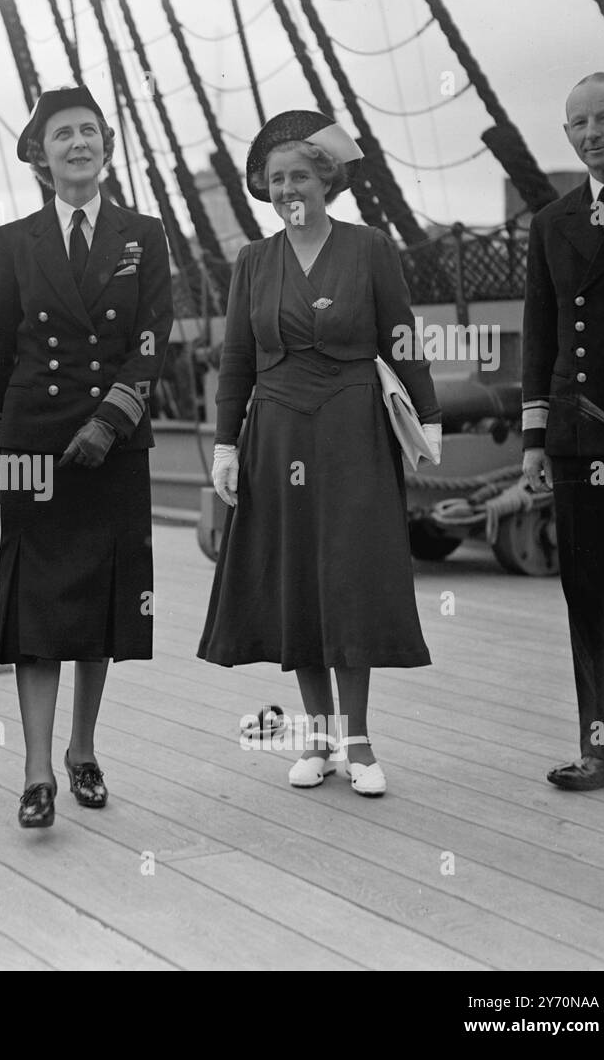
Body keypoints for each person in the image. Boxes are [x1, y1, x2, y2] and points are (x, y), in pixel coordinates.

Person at [197, 111, 441, 797]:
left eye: (299, 174)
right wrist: (224, 447)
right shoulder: (252, 261)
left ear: (325, 180)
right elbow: (237, 359)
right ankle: (318, 737)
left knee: (350, 576)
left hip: (352, 430)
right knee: (297, 577)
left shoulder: (368, 249)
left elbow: (400, 333)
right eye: (275, 179)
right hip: (274, 432)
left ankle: (359, 742)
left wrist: (428, 418)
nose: (286, 188)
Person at [0, 85, 173, 828]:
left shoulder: (143, 235)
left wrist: (109, 420)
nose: (78, 144)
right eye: (63, 135)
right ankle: (35, 773)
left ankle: (82, 752)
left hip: (112, 449)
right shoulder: (13, 241)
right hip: (35, 447)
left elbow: (151, 339)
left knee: (100, 606)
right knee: (36, 612)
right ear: (40, 154)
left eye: (90, 131)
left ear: (108, 148)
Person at [523, 73, 604, 790]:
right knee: (595, 596)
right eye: (579, 123)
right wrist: (535, 443)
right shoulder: (553, 221)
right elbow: (540, 341)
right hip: (579, 438)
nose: (593, 131)